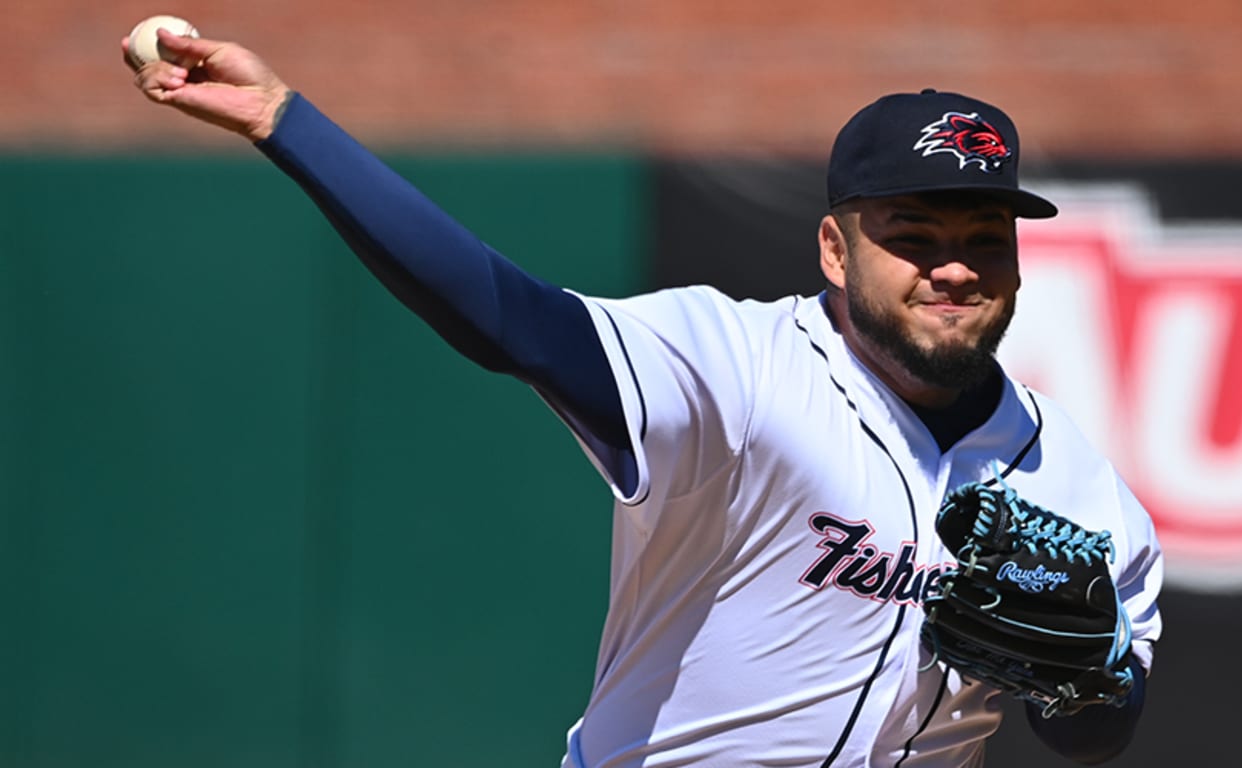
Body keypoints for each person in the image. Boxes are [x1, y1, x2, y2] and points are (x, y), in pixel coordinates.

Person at [125, 27, 1163, 768]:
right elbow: (511, 321)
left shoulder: (1075, 483)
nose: (954, 267)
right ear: (835, 251)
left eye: (985, 239)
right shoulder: (740, 366)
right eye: (915, 237)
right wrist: (285, 122)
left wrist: (1094, 679)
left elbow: (1095, 738)